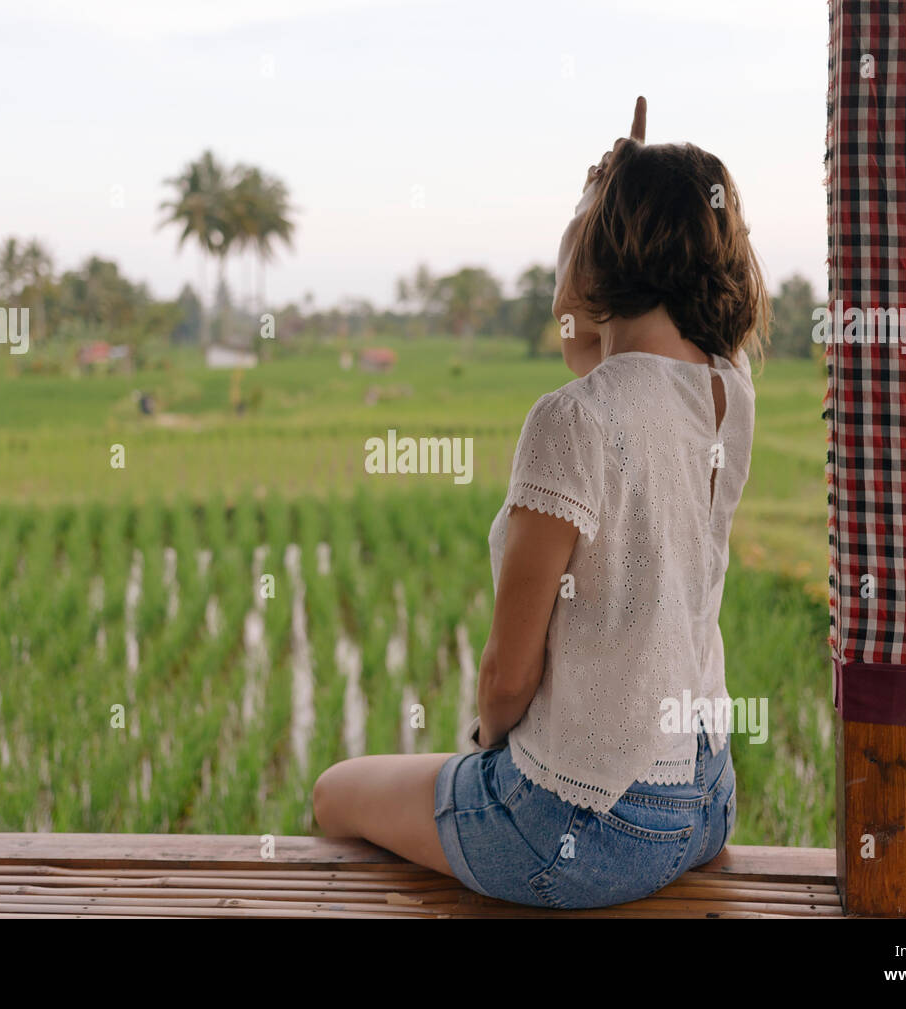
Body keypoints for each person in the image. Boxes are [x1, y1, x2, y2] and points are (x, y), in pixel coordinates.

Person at [312, 104, 771, 909]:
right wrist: (618, 191)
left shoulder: (572, 419)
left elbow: (505, 677)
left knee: (334, 791)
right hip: (705, 803)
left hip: (586, 829)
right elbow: (607, 342)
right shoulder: (729, 390)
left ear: (595, 261)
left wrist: (488, 749)